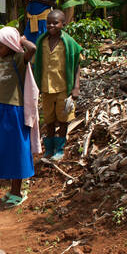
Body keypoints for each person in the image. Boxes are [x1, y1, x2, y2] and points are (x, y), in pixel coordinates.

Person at [0, 27, 40, 206]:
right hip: (0, 109)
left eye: (0, 46)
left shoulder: (19, 58)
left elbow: (32, 49)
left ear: (10, 45)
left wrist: (22, 40)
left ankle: (18, 192)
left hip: (14, 110)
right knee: (5, 150)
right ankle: (12, 190)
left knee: (17, 150)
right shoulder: (3, 60)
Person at [32, 9, 84, 162]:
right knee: (48, 120)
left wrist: (76, 87)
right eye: (48, 23)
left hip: (63, 88)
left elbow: (77, 65)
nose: (51, 25)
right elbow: (35, 64)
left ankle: (59, 150)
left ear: (63, 24)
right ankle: (49, 149)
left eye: (55, 23)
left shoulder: (69, 43)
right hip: (46, 89)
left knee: (62, 120)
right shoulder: (41, 42)